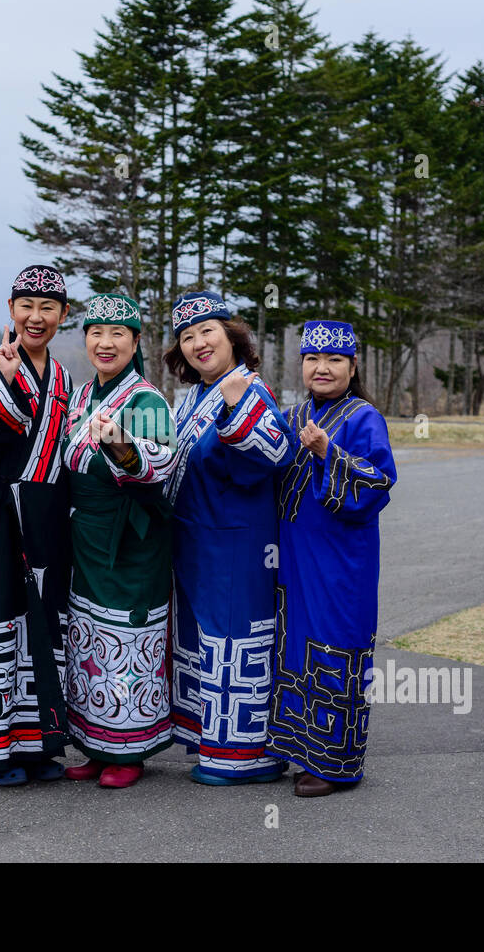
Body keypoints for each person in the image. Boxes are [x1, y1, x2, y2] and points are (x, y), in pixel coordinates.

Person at [0, 264, 75, 786]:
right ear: (11, 310)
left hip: (45, 517)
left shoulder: (66, 378)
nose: (36, 317)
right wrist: (0, 381)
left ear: (64, 315)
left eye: (48, 308)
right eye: (27, 306)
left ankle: (34, 744)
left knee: (38, 628)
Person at [162, 290, 292, 785]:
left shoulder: (248, 387)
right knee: (203, 637)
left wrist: (238, 408)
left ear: (231, 336)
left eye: (207, 332)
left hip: (238, 540)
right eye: (188, 337)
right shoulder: (192, 396)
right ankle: (210, 738)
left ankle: (244, 754)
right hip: (197, 540)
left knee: (234, 637)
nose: (199, 343)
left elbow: (275, 453)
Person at [265, 321, 396, 797]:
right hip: (295, 556)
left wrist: (328, 451)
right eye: (312, 359)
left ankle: (332, 761)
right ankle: (293, 746)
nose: (322, 368)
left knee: (334, 643)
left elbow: (378, 483)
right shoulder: (292, 413)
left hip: (343, 561)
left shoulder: (364, 418)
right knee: (294, 643)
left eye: (334, 360)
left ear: (353, 366)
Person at [59, 294, 176, 789]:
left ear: (135, 342)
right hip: (85, 535)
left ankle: (130, 749)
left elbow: (160, 464)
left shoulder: (146, 399)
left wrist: (123, 447)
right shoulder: (82, 395)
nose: (105, 343)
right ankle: (94, 742)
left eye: (118, 334)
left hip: (130, 541)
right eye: (95, 333)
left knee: (128, 638)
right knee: (88, 638)